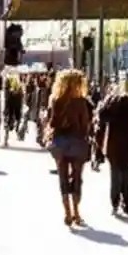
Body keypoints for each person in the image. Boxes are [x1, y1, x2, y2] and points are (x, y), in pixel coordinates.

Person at [46, 69, 93, 227]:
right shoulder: (81, 101)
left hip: (60, 143)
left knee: (63, 178)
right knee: (77, 178)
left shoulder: (56, 100)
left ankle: (67, 213)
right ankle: (77, 213)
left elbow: (52, 123)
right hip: (77, 143)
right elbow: (85, 124)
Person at [97, 86, 128, 216]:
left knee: (115, 175)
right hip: (126, 142)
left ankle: (115, 203)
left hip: (112, 144)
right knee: (125, 174)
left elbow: (101, 117)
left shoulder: (109, 103)